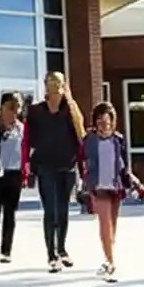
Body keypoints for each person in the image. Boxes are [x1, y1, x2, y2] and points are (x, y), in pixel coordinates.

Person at [22, 70, 87, 273]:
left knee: (64, 210)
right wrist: (25, 164)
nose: (55, 88)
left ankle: (62, 249)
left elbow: (81, 134)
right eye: (51, 84)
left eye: (59, 85)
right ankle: (51, 254)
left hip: (67, 166)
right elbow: (26, 140)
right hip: (44, 166)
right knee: (50, 210)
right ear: (45, 87)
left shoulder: (70, 111)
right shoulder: (35, 112)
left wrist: (71, 101)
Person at [81, 102, 144, 282]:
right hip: (98, 186)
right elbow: (82, 160)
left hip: (115, 186)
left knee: (112, 226)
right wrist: (84, 181)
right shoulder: (89, 140)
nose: (104, 125)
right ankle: (110, 263)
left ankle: (107, 257)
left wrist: (133, 181)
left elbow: (124, 164)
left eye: (107, 122)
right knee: (104, 224)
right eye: (100, 121)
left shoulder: (118, 140)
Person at [0, 92, 27, 262]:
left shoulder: (21, 128)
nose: (14, 112)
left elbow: (24, 151)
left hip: (13, 173)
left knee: (10, 213)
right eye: (10, 108)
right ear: (1, 108)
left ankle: (6, 250)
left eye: (17, 108)